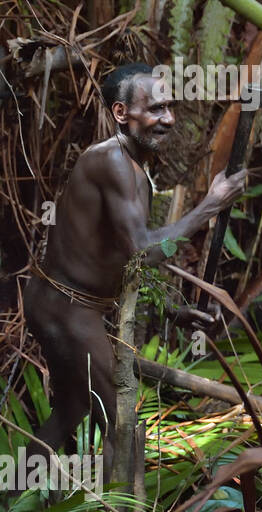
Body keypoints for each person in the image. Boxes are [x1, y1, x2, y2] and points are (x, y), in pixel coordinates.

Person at [21, 62, 246, 466]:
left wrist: (173, 311)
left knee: (72, 410)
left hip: (68, 303)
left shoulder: (133, 167)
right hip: (67, 309)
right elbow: (142, 250)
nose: (169, 119)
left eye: (170, 107)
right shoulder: (111, 163)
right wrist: (211, 205)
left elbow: (118, 258)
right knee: (121, 420)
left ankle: (13, 503)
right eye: (156, 109)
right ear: (121, 114)